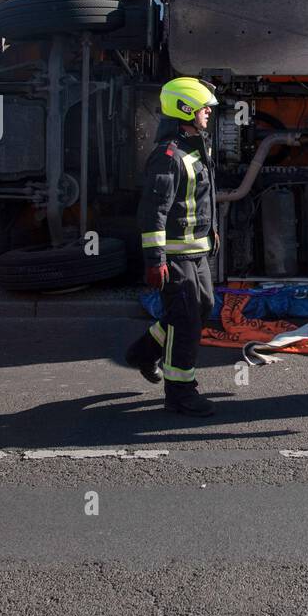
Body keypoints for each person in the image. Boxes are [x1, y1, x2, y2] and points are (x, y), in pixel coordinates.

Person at [124, 77, 220, 416]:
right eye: (203, 107)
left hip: (196, 251)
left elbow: (202, 198)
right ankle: (180, 393)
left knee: (203, 307)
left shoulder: (196, 146)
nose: (208, 112)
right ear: (185, 110)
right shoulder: (167, 157)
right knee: (186, 320)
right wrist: (155, 259)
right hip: (176, 255)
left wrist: (214, 231)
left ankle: (143, 352)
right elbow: (154, 213)